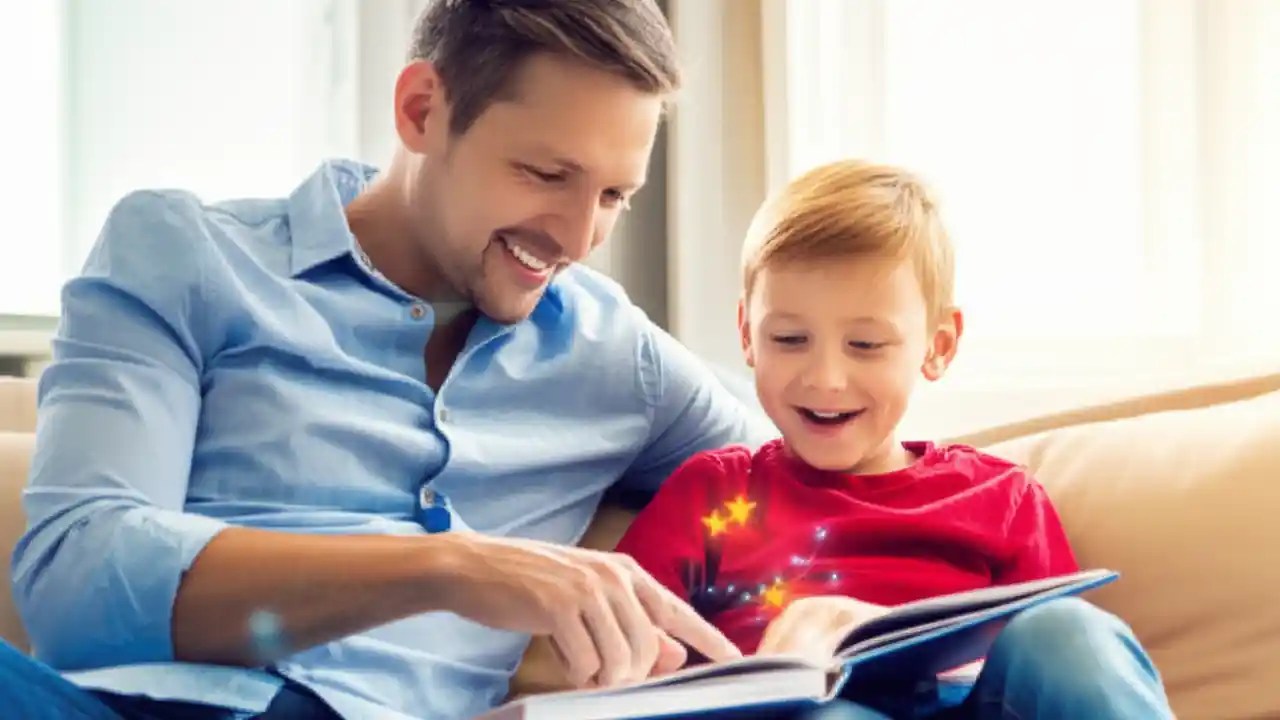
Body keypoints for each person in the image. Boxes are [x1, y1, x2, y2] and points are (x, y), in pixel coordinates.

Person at [1, 1, 776, 718]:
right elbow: (76, 580)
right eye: (546, 175)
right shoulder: (186, 257)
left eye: (613, 197)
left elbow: (818, 468)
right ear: (421, 110)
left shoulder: (620, 359)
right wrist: (452, 568)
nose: (577, 241)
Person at [614, 159, 1177, 719]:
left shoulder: (1002, 499)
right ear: (747, 336)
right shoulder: (713, 492)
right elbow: (619, 655)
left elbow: (1053, 678)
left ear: (937, 346)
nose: (825, 378)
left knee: (1066, 630)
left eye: (865, 345)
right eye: (790, 339)